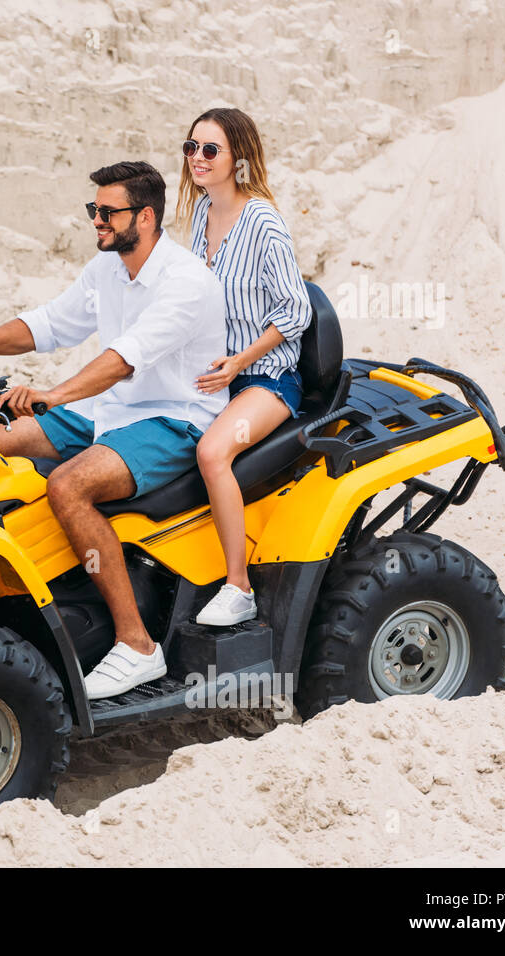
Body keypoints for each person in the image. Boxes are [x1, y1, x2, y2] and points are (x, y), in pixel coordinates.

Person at [0, 160, 226, 699]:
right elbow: (47, 325)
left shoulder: (186, 282)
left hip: (174, 420)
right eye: (94, 210)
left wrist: (52, 394)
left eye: (107, 212)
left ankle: (137, 644)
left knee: (67, 485)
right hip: (110, 410)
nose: (97, 220)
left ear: (145, 215)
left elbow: (124, 359)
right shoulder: (109, 270)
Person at [175, 108, 313, 627]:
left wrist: (240, 361)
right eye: (191, 148)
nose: (197, 159)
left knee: (212, 452)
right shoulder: (200, 217)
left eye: (210, 150)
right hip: (215, 373)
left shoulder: (262, 222)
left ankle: (238, 586)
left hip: (266, 379)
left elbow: (296, 311)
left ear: (239, 159)